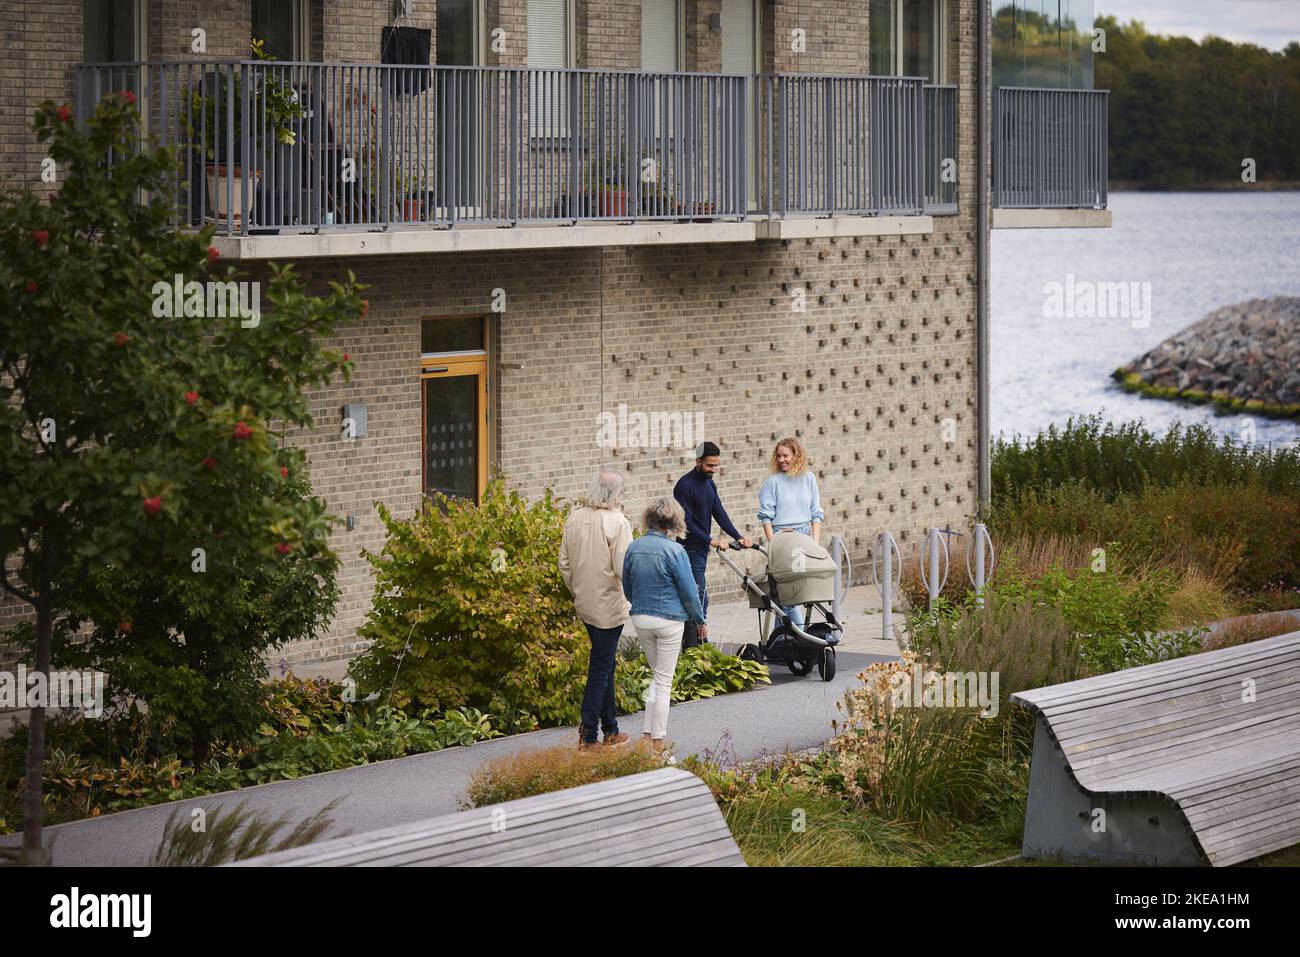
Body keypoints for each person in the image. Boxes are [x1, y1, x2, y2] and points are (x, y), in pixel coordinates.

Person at [622, 497, 706, 753]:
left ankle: (647, 736)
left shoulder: (634, 548)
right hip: (669, 620)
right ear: (674, 521)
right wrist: (699, 619)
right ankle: (658, 742)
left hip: (641, 618)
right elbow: (690, 591)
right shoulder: (676, 551)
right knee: (664, 680)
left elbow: (627, 585)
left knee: (656, 676)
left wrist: (638, 603)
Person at [559, 468, 634, 752]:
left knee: (605, 663)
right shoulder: (617, 522)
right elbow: (623, 569)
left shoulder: (574, 518)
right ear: (616, 493)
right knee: (601, 667)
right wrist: (633, 600)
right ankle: (588, 735)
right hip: (610, 606)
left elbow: (564, 564)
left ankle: (611, 729)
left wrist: (577, 589)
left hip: (585, 603)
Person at [672, 441, 750, 646]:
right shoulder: (684, 486)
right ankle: (695, 645)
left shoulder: (709, 484)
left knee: (698, 596)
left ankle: (696, 642)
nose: (713, 470)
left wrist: (737, 536)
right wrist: (712, 540)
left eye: (716, 465)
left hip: (701, 550)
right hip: (688, 550)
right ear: (697, 461)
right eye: (709, 465)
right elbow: (685, 524)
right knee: (697, 597)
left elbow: (719, 512)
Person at [757, 437, 824, 627]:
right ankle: (803, 639)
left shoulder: (808, 478)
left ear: (796, 456)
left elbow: (816, 512)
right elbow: (766, 517)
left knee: (789, 597)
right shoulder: (772, 482)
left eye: (785, 455)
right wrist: (774, 544)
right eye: (778, 456)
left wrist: (814, 542)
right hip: (782, 539)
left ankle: (781, 645)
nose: (781, 460)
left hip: (803, 538)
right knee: (791, 596)